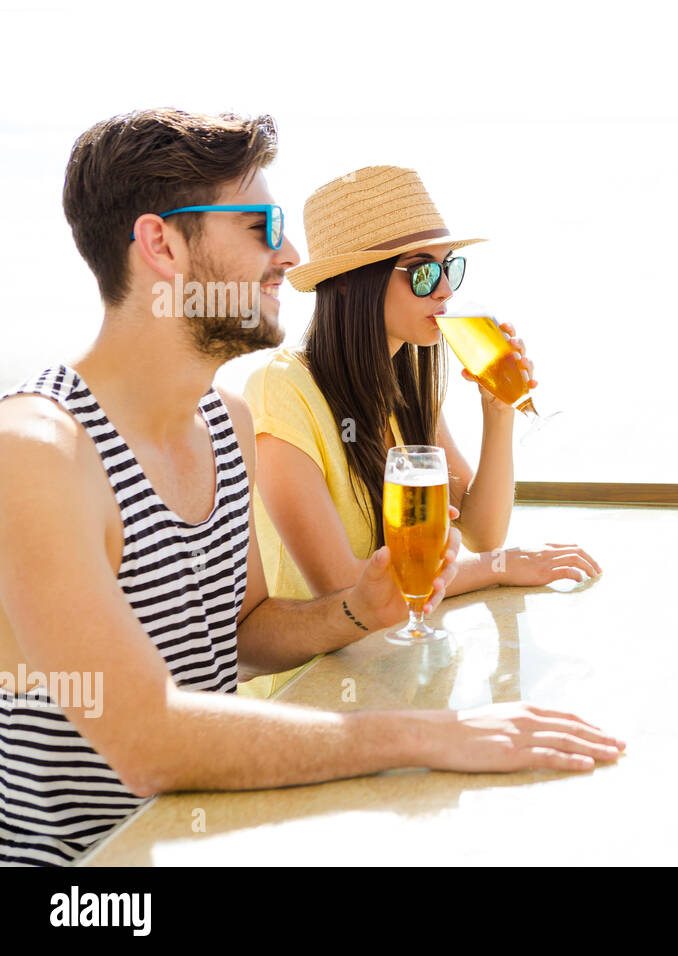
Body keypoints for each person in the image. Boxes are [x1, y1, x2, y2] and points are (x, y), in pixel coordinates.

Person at [0, 110, 622, 866]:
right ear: (160, 245)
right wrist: (428, 735)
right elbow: (146, 741)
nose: (289, 255)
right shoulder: (37, 453)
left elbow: (247, 634)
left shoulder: (225, 424)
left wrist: (358, 607)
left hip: (208, 840)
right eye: (261, 225)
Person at [239, 166, 600, 699]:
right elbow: (349, 590)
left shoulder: (404, 383)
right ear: (354, 284)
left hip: (388, 672)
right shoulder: (281, 388)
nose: (446, 290)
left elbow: (483, 529)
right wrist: (497, 569)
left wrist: (498, 411)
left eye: (448, 268)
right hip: (307, 694)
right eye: (423, 273)